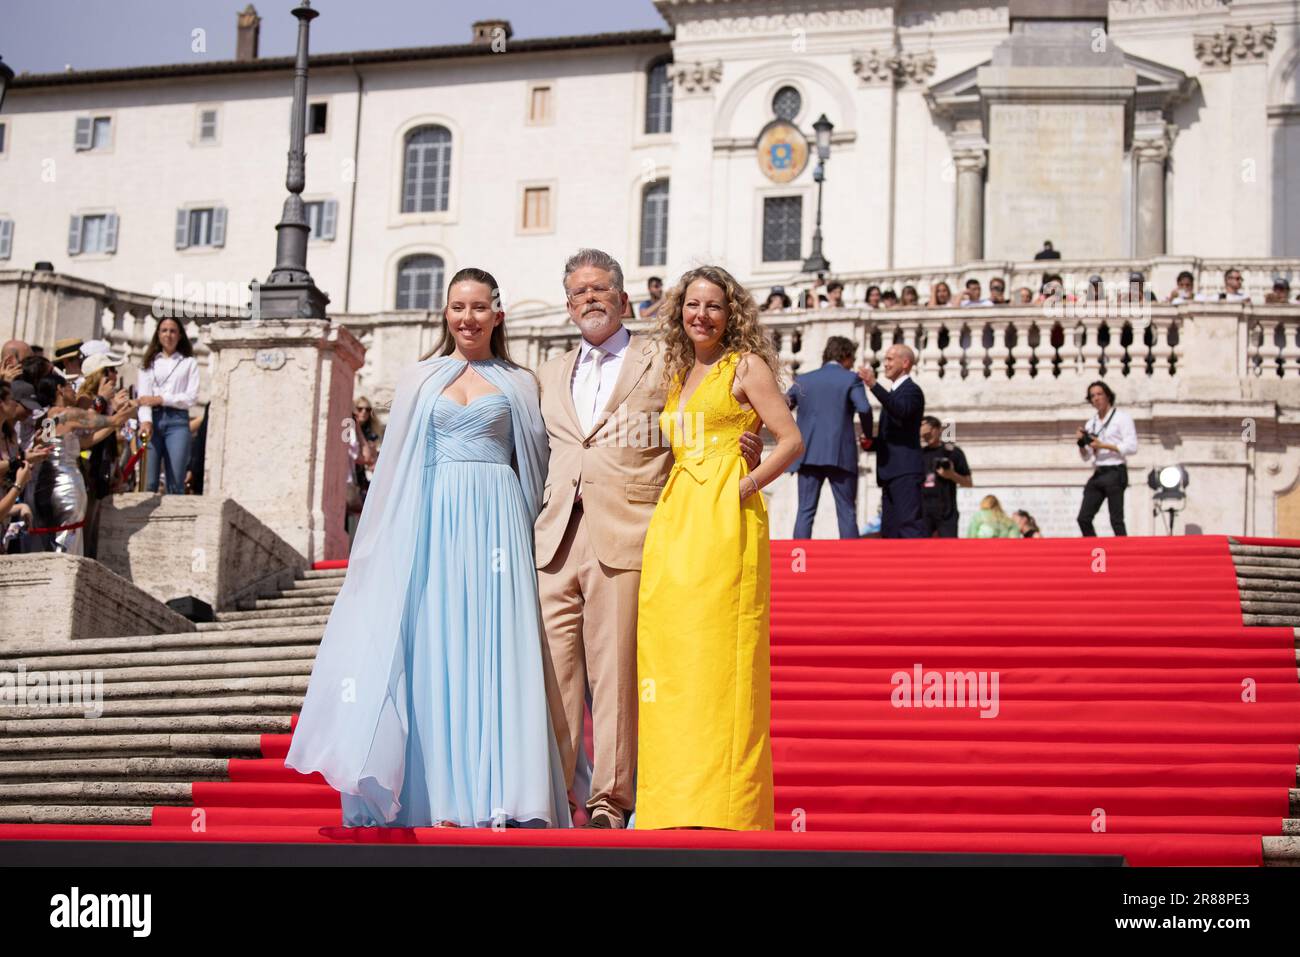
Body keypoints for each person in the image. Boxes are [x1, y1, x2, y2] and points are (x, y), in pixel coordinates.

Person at [286, 267, 569, 829]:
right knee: (435, 647)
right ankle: (435, 797)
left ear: (498, 314)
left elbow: (536, 464)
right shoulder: (419, 378)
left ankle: (501, 794)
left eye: (479, 307)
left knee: (496, 646)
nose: (467, 317)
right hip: (434, 520)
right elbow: (394, 469)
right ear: (446, 313)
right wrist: (384, 543)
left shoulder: (519, 381)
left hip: (498, 520)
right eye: (457, 307)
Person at [532, 249, 762, 829]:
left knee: (616, 677)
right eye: (580, 291)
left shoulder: (664, 360)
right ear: (567, 304)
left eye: (602, 289)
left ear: (623, 297)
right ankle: (556, 797)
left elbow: (714, 412)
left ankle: (610, 799)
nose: (591, 298)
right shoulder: (549, 374)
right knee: (553, 675)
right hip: (556, 539)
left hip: (630, 534)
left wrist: (747, 448)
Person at [636, 264, 803, 830]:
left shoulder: (744, 366)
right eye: (692, 304)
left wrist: (742, 485)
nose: (700, 314)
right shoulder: (678, 370)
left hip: (726, 516)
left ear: (730, 314)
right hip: (677, 514)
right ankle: (670, 802)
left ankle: (727, 804)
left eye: (713, 305)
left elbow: (791, 440)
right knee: (675, 659)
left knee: (722, 659)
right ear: (679, 311)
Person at [787, 336, 872, 539]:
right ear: (846, 356)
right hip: (840, 453)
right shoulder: (851, 379)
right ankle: (851, 563)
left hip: (807, 453)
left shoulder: (803, 380)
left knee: (805, 511)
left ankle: (799, 563)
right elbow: (865, 408)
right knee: (846, 511)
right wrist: (868, 435)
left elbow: (783, 405)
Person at [857, 344, 926, 538]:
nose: (885, 364)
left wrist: (873, 385)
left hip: (905, 471)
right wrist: (873, 443)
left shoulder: (912, 391)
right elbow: (896, 433)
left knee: (908, 526)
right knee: (890, 530)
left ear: (905, 363)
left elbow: (901, 411)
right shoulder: (894, 393)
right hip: (891, 473)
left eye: (889, 359)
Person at [138, 317, 200, 494]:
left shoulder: (189, 363)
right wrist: (145, 421)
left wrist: (161, 399)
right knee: (148, 481)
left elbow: (191, 397)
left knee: (175, 481)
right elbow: (144, 398)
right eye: (164, 330)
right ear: (158, 334)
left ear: (180, 335)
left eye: (173, 331)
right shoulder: (148, 363)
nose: (168, 335)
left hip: (177, 421)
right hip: (152, 419)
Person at [1076, 380, 1137, 537]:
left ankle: (1124, 555)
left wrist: (1104, 445)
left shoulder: (1122, 418)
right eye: (1092, 396)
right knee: (1083, 518)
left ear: (1108, 396)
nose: (1096, 398)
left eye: (1099, 394)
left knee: (1116, 519)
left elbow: (1131, 447)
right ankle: (1095, 549)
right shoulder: (1091, 423)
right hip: (1099, 471)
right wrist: (1082, 443)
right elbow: (1087, 456)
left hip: (1115, 470)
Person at [919, 415, 971, 538]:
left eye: (929, 432)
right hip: (923, 512)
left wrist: (951, 475)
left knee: (949, 550)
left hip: (947, 512)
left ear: (938, 429)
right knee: (921, 549)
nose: (927, 437)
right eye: (923, 435)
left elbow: (968, 483)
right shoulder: (919, 454)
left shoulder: (953, 452)